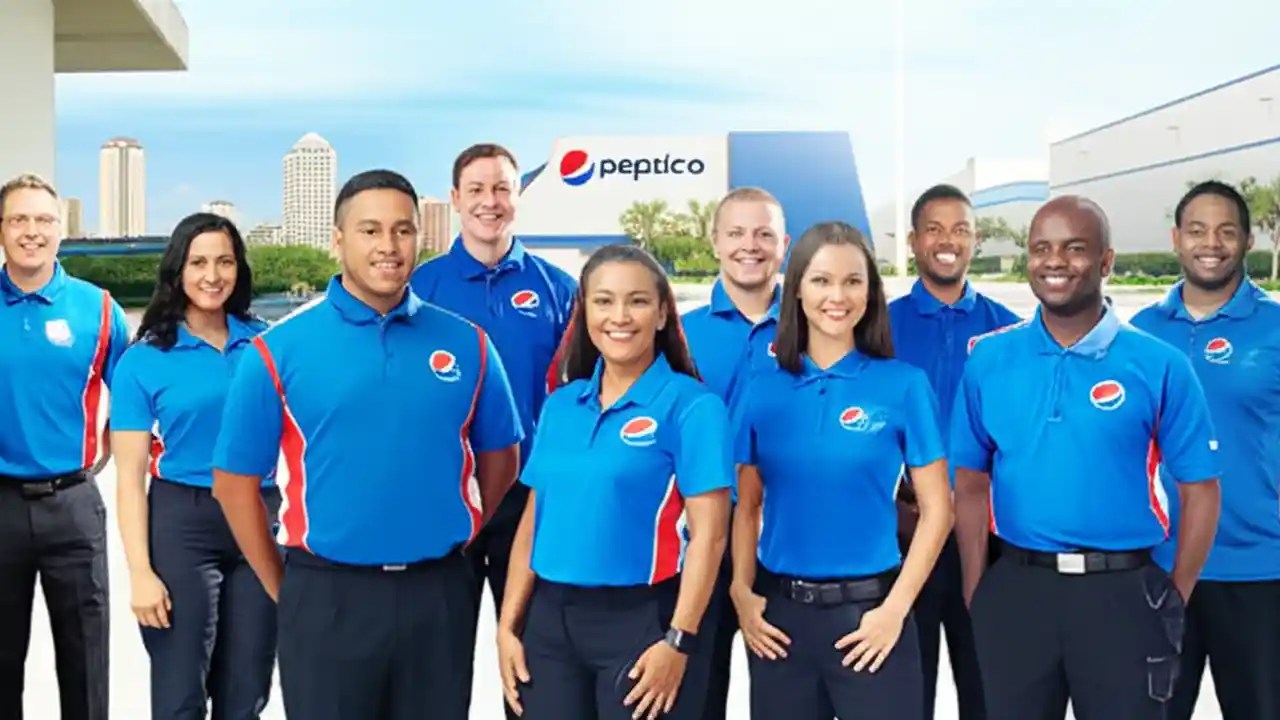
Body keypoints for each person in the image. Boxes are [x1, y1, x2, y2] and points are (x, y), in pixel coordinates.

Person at [211, 169, 524, 720]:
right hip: (325, 593)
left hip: (440, 591)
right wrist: (286, 588)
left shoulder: (468, 344)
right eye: (370, 230)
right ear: (338, 240)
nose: (388, 246)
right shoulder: (277, 351)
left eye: (403, 230)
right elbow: (234, 484)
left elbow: (501, 459)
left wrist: (463, 527)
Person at [951, 195, 1222, 720]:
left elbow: (1201, 489)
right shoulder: (989, 358)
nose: (1055, 262)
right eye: (1041, 248)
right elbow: (970, 482)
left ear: (1105, 261)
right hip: (1018, 589)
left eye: (1075, 248)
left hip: (1122, 593)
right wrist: (976, 588)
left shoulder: (1157, 363)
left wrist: (1175, 593)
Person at [496, 244, 733, 720]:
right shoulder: (562, 405)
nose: (619, 316)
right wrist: (507, 626)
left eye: (638, 301)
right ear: (585, 313)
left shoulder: (692, 406)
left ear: (663, 313)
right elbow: (534, 521)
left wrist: (679, 640)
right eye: (603, 301)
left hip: (642, 621)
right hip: (549, 625)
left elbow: (710, 535)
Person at [731, 221, 954, 719]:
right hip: (780, 623)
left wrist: (895, 611)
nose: (838, 295)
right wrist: (742, 593)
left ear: (871, 292)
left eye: (853, 281)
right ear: (797, 290)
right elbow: (746, 507)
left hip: (872, 616)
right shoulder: (760, 388)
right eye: (821, 280)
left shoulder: (903, 385)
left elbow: (938, 511)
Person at [409, 143, 576, 719]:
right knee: (437, 663)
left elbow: (578, 396)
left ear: (518, 197)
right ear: (455, 199)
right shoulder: (420, 289)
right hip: (445, 500)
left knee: (528, 664)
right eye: (477, 190)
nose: (490, 201)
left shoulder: (558, 290)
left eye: (501, 188)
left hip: (528, 501)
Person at [110, 213, 279, 719]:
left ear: (239, 269)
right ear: (177, 272)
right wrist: (140, 572)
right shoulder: (144, 359)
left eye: (224, 261)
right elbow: (128, 476)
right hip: (183, 521)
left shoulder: (267, 345)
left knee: (247, 688)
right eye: (198, 262)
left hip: (259, 515)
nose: (212, 275)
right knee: (181, 690)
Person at [1130, 180, 1280, 720]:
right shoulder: (1141, 334)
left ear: (1246, 240)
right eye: (1196, 230)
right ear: (1176, 238)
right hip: (1160, 570)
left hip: (1261, 571)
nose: (1210, 243)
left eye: (1225, 231)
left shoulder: (1275, 327)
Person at [887, 184, 1019, 720]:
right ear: (915, 240)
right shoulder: (879, 324)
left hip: (983, 538)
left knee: (987, 688)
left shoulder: (1008, 327)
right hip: (901, 534)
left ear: (976, 240)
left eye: (960, 229)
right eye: (935, 229)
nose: (948, 240)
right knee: (903, 691)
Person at [0, 173, 129, 720]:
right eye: (19, 220)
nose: (33, 231)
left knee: (85, 660)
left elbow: (134, 393)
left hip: (73, 507)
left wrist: (108, 435)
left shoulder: (98, 309)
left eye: (44, 220)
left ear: (61, 229)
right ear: (2, 230)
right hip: (0, 507)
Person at [679, 186, 788, 720]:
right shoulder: (678, 335)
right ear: (715, 241)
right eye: (738, 233)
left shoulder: (816, 327)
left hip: (787, 549)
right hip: (696, 545)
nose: (752, 246)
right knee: (693, 697)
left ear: (784, 244)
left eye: (764, 234)